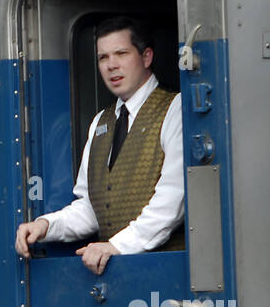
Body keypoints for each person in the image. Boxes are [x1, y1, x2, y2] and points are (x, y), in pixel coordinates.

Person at [14, 16, 184, 275]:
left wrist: (115, 246)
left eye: (121, 53)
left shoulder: (175, 109)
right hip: (115, 279)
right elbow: (91, 209)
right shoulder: (100, 123)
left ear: (146, 57)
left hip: (166, 277)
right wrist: (46, 225)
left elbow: (173, 201)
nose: (111, 66)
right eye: (103, 57)